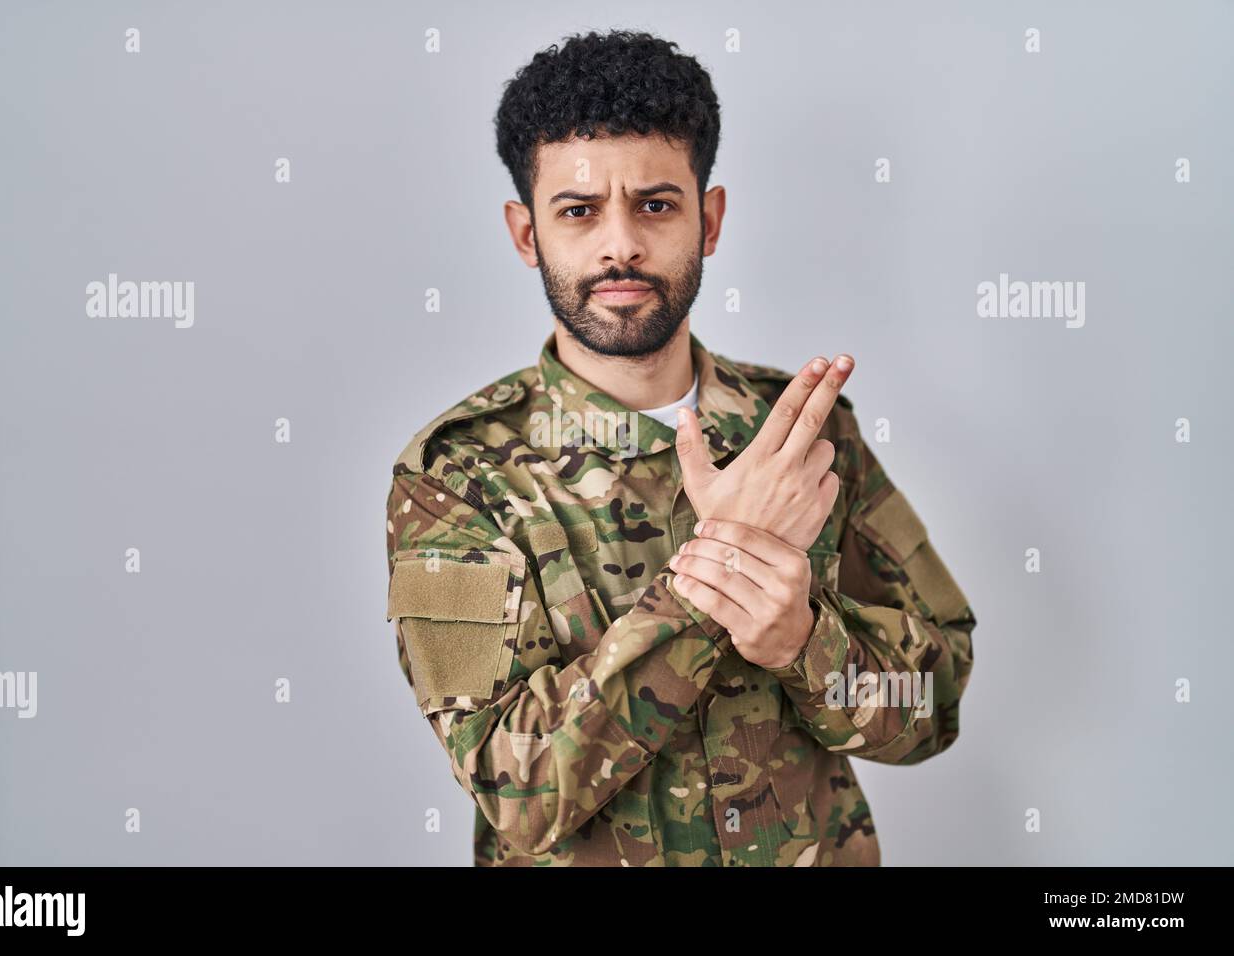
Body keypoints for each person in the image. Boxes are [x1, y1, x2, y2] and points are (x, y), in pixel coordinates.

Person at [384, 29, 976, 866]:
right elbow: (516, 787)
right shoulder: (458, 475)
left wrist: (804, 641)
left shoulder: (801, 429)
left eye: (656, 205)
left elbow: (937, 696)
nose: (620, 244)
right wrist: (720, 572)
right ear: (527, 235)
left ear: (711, 219)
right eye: (579, 211)